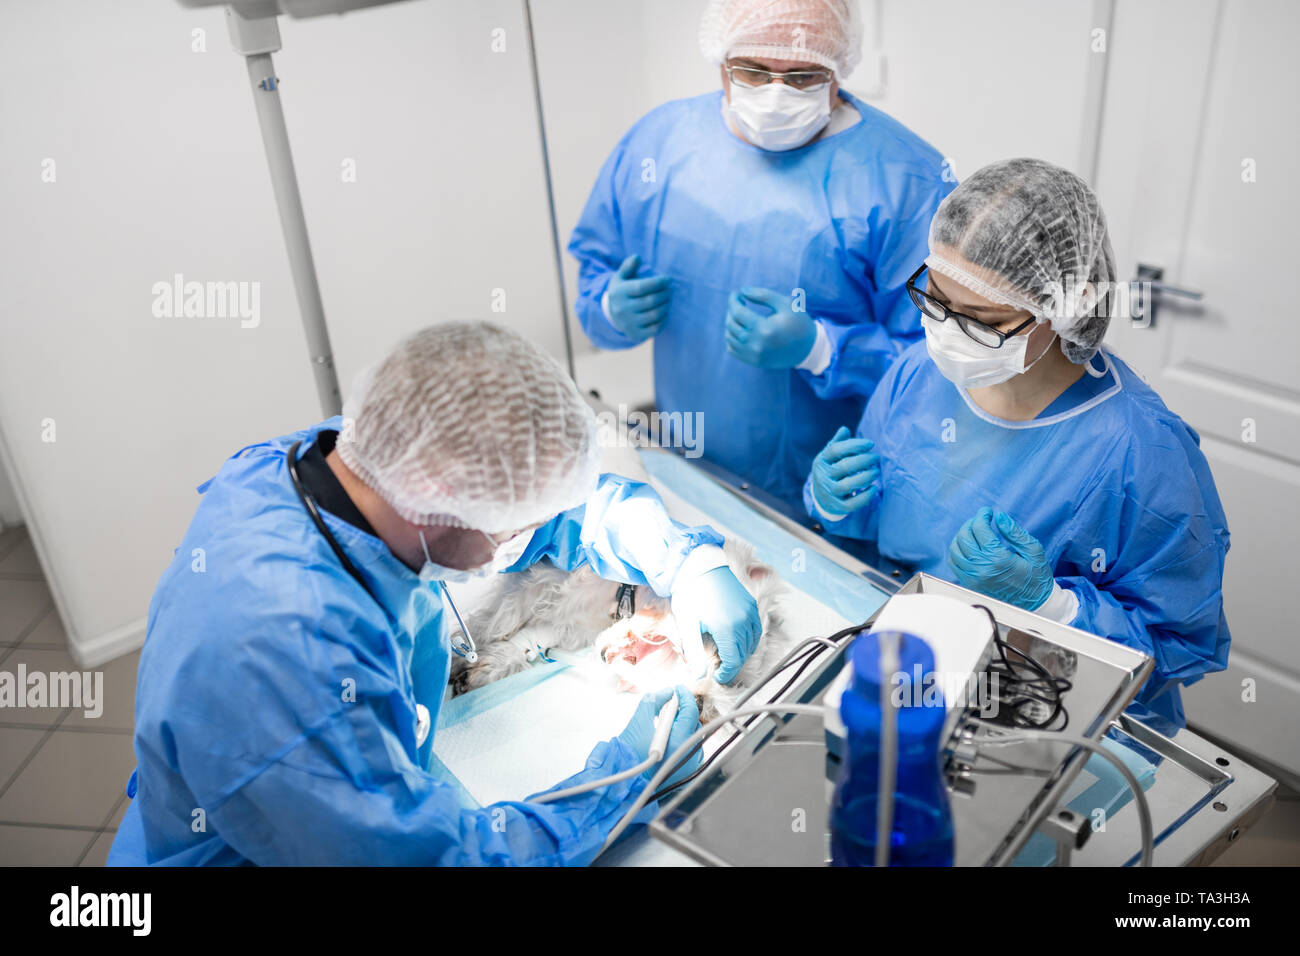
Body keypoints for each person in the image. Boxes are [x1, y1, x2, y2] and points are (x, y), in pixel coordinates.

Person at [108, 322, 761, 866]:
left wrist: (687, 560)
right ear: (442, 509)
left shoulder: (360, 462)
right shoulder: (285, 656)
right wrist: (622, 779)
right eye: (519, 523)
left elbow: (556, 502)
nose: (534, 532)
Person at [806, 158, 1230, 733]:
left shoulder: (1139, 449)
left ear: (1064, 310)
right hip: (914, 671)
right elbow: (896, 523)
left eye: (981, 320)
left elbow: (1176, 647)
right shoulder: (919, 373)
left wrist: (1051, 607)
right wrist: (837, 503)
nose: (947, 333)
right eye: (935, 299)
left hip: (1051, 711)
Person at [569, 0, 954, 509]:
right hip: (685, 464)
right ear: (721, 63)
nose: (775, 94)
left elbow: (940, 367)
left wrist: (822, 349)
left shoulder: (907, 181)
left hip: (830, 498)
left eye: (801, 76)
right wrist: (609, 309)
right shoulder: (658, 145)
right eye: (753, 70)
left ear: (839, 68)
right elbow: (596, 271)